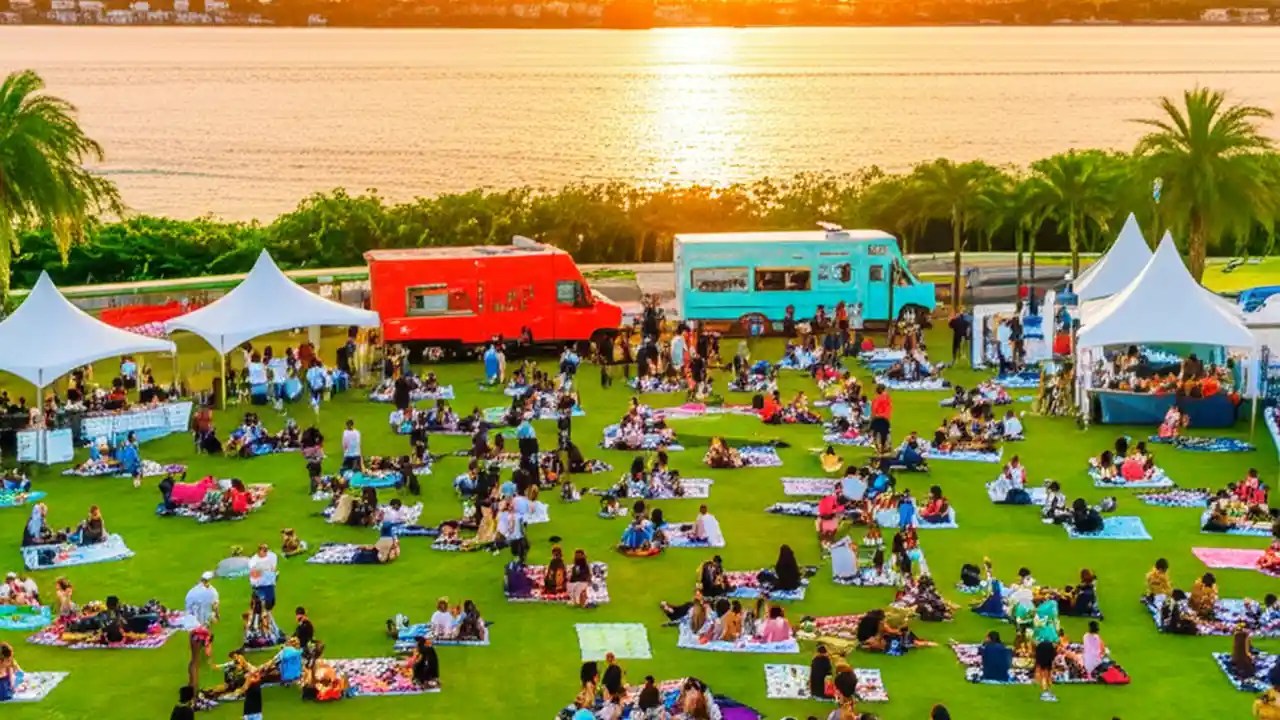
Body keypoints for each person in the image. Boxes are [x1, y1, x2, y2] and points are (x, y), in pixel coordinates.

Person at [249, 543, 279, 610]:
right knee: (258, 604)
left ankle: (267, 614)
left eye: (266, 550)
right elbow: (254, 574)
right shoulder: (254, 561)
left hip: (269, 584)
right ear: (259, 551)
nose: (266, 552)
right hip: (259, 585)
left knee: (271, 603)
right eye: (264, 550)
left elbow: (273, 569)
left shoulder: (272, 556)